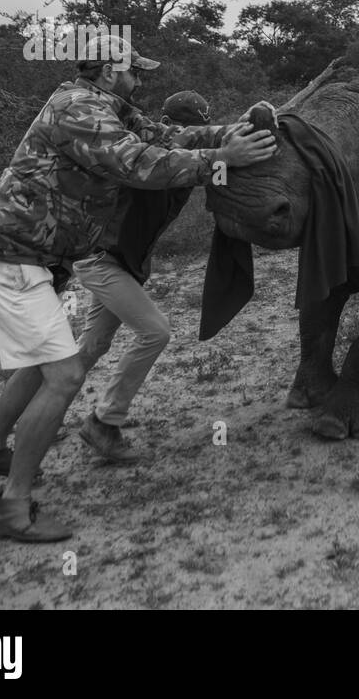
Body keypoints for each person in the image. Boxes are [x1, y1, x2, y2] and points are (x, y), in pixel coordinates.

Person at [0, 35, 277, 541]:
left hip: (35, 257)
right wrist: (224, 158)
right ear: (110, 71)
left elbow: (167, 135)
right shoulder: (78, 108)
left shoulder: (110, 108)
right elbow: (136, 163)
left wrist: (234, 132)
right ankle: (13, 506)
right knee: (64, 377)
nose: (141, 80)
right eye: (134, 71)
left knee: (36, 365)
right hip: (13, 256)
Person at [73, 90, 216, 464]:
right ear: (166, 125)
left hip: (125, 264)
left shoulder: (182, 162)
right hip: (102, 259)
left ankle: (39, 413)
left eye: (199, 131)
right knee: (156, 332)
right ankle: (105, 422)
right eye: (186, 129)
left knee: (92, 346)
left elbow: (208, 166)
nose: (192, 137)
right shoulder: (138, 154)